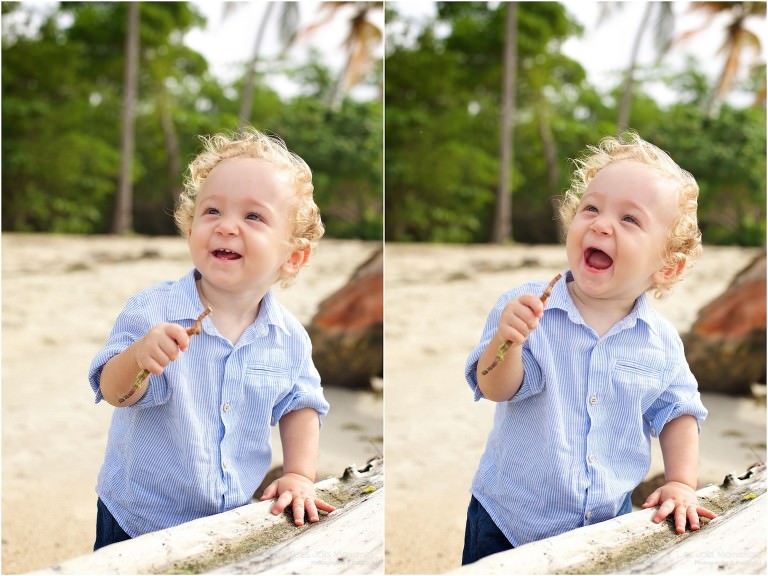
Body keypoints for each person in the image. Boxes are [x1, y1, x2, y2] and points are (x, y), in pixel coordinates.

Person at [462, 132, 716, 565]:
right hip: (509, 520)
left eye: (630, 220)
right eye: (591, 208)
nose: (600, 224)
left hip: (605, 521)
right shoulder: (526, 307)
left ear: (666, 266)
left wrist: (681, 483)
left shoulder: (659, 340)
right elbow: (495, 388)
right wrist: (508, 341)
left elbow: (678, 412)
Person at [89, 128, 335, 551]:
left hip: (229, 518)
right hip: (139, 517)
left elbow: (301, 403)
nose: (226, 227)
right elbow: (114, 392)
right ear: (190, 227)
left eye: (253, 217)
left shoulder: (288, 336)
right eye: (212, 211)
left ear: (292, 256)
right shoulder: (152, 312)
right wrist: (138, 358)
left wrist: (298, 474)